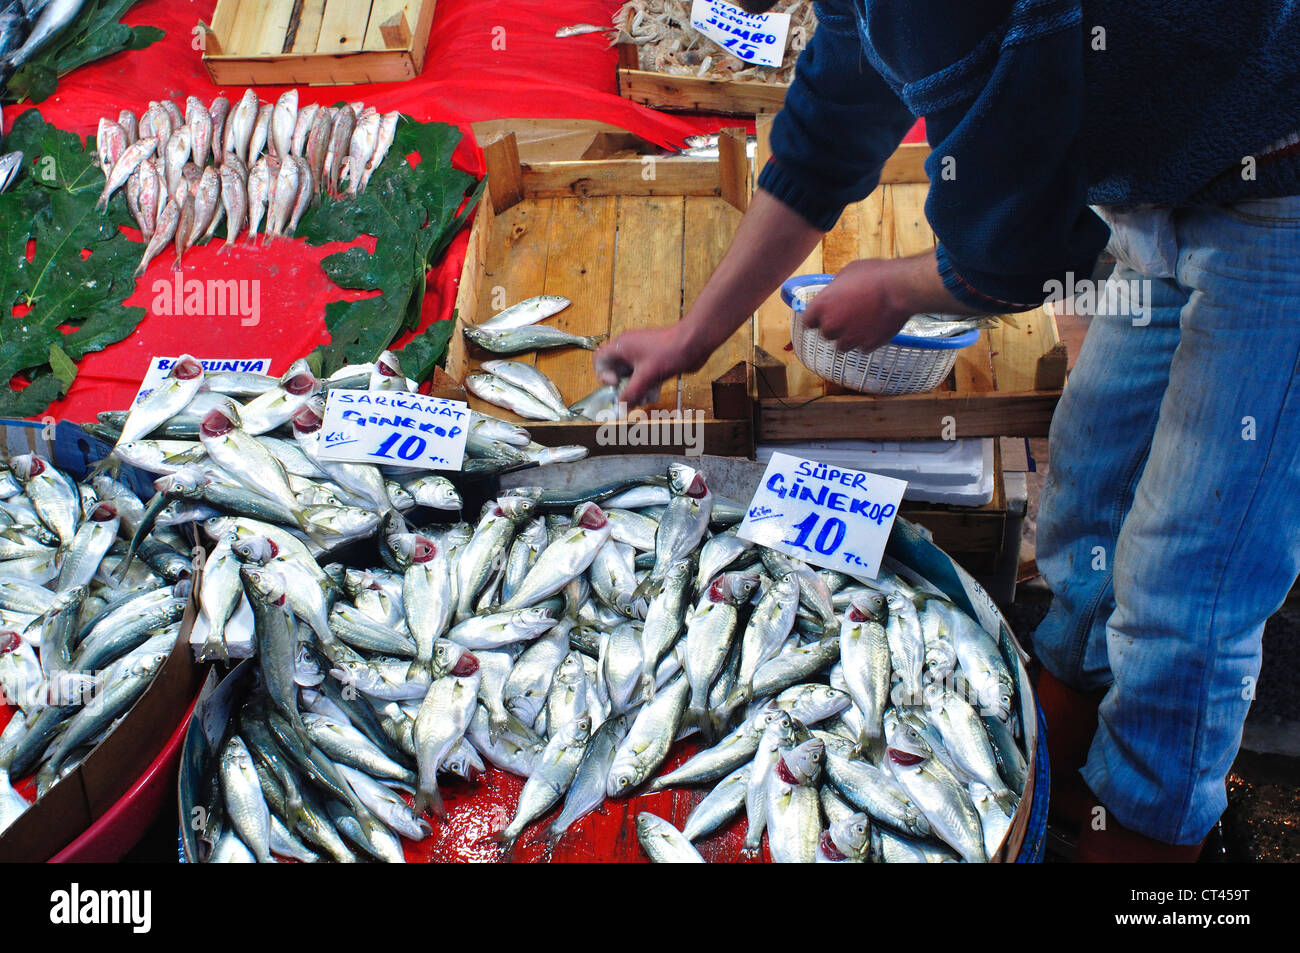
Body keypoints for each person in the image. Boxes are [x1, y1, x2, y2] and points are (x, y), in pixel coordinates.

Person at [595, 0, 1300, 862]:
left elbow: (1027, 243)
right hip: (1163, 184)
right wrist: (690, 337)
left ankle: (1147, 851)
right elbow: (825, 133)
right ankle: (1055, 782)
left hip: (1280, 182)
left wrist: (902, 287)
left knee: (1189, 580)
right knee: (1087, 498)